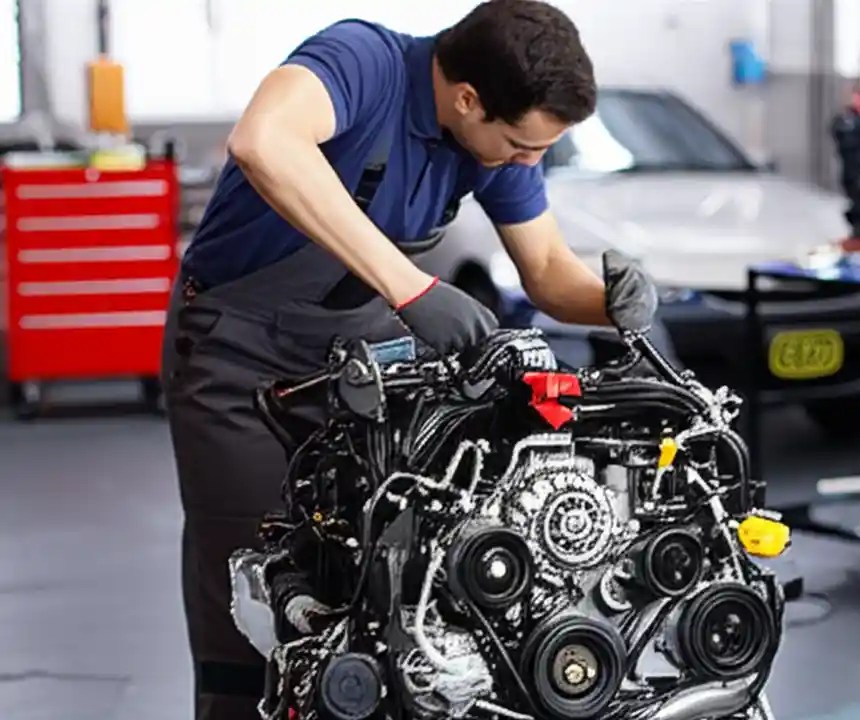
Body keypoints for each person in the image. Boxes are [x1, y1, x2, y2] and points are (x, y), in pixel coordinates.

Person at [159, 2, 657, 718]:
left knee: (385, 575)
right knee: (256, 586)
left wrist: (612, 301)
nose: (529, 162)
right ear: (467, 99)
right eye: (521, 144)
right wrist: (411, 286)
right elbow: (264, 141)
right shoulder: (363, 62)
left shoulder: (489, 138)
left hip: (357, 363)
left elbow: (547, 268)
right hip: (239, 351)